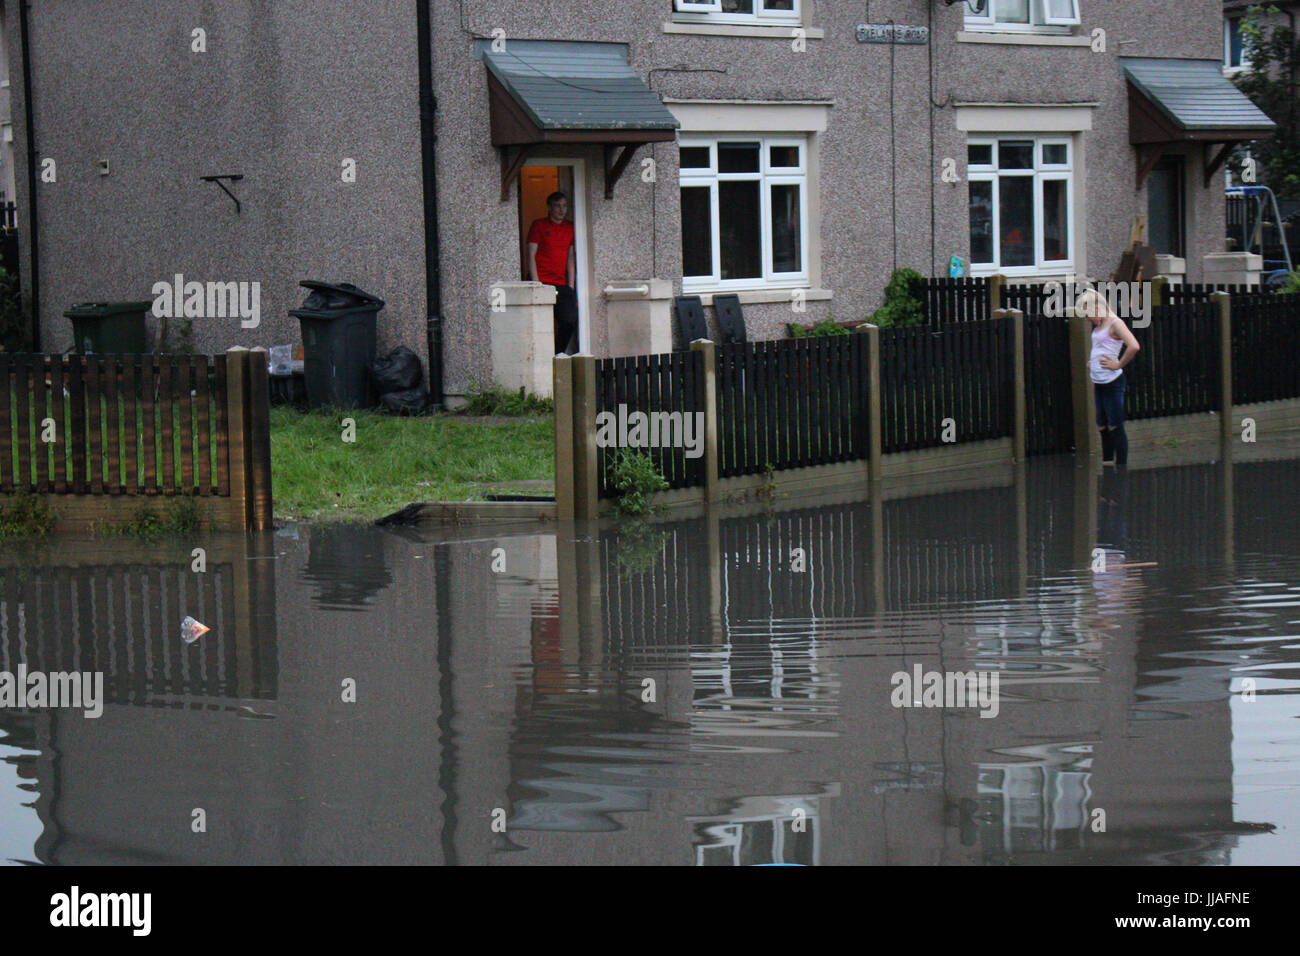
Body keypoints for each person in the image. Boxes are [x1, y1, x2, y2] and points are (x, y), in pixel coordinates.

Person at [1077, 288, 1140, 468]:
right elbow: (1102, 347)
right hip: (1099, 382)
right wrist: (1094, 361)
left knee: (1115, 426)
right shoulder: (1099, 326)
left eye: (1087, 315)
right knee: (1102, 426)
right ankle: (1107, 464)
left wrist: (1118, 364)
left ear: (1096, 308)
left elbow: (1134, 346)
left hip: (1112, 382)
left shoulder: (1115, 323)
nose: (1087, 320)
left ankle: (1121, 469)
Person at [527, 191, 578, 355]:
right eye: (557, 206)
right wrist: (536, 283)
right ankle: (542, 359)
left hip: (562, 284)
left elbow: (571, 256)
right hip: (542, 282)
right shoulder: (539, 225)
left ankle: (557, 355)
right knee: (542, 324)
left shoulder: (570, 228)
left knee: (569, 321)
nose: (561, 210)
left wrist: (571, 284)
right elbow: (531, 254)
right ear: (549, 207)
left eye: (564, 206)